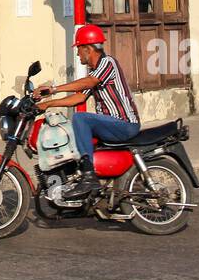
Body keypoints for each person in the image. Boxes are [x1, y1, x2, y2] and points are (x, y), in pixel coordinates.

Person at [34, 23, 140, 197]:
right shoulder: (95, 71)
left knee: (81, 118)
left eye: (79, 49)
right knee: (72, 127)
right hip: (112, 125)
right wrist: (47, 105)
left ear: (88, 49)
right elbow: (79, 97)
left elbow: (89, 83)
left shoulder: (108, 63)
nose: (77, 53)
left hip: (124, 124)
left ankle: (89, 177)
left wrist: (53, 89)